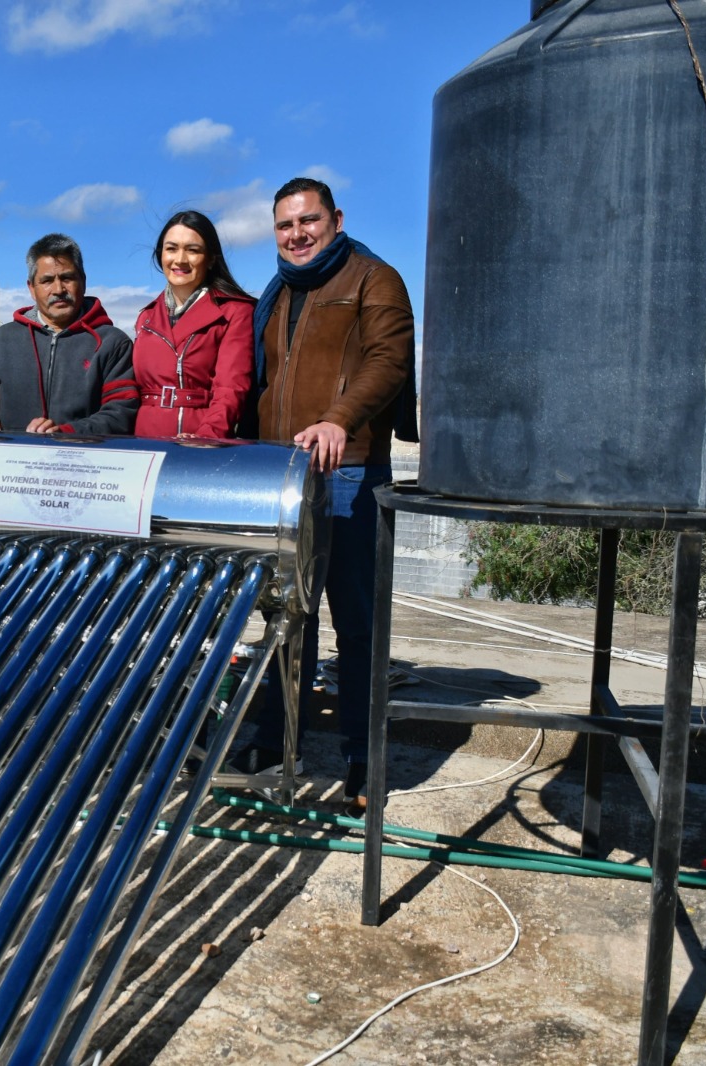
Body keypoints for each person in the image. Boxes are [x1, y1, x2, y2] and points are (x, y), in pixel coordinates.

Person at [229, 177, 418, 803]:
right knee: (286, 618)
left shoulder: (374, 279)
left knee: (358, 625)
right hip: (282, 474)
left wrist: (339, 418)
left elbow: (389, 362)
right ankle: (279, 739)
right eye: (285, 225)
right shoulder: (277, 292)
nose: (297, 234)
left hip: (349, 472)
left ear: (336, 219)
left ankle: (364, 757)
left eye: (307, 221)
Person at [0, 233, 137, 434]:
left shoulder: (112, 343)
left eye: (67, 278)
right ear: (31, 288)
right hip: (11, 453)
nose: (58, 289)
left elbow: (121, 413)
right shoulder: (0, 340)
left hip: (83, 454)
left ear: (83, 281)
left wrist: (65, 434)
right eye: (47, 280)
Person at [131, 210, 256, 439]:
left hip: (199, 442)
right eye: (171, 249)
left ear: (211, 259)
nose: (180, 259)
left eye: (192, 250)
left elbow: (231, 388)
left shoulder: (235, 311)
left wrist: (207, 437)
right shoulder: (145, 318)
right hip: (144, 442)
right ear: (160, 254)